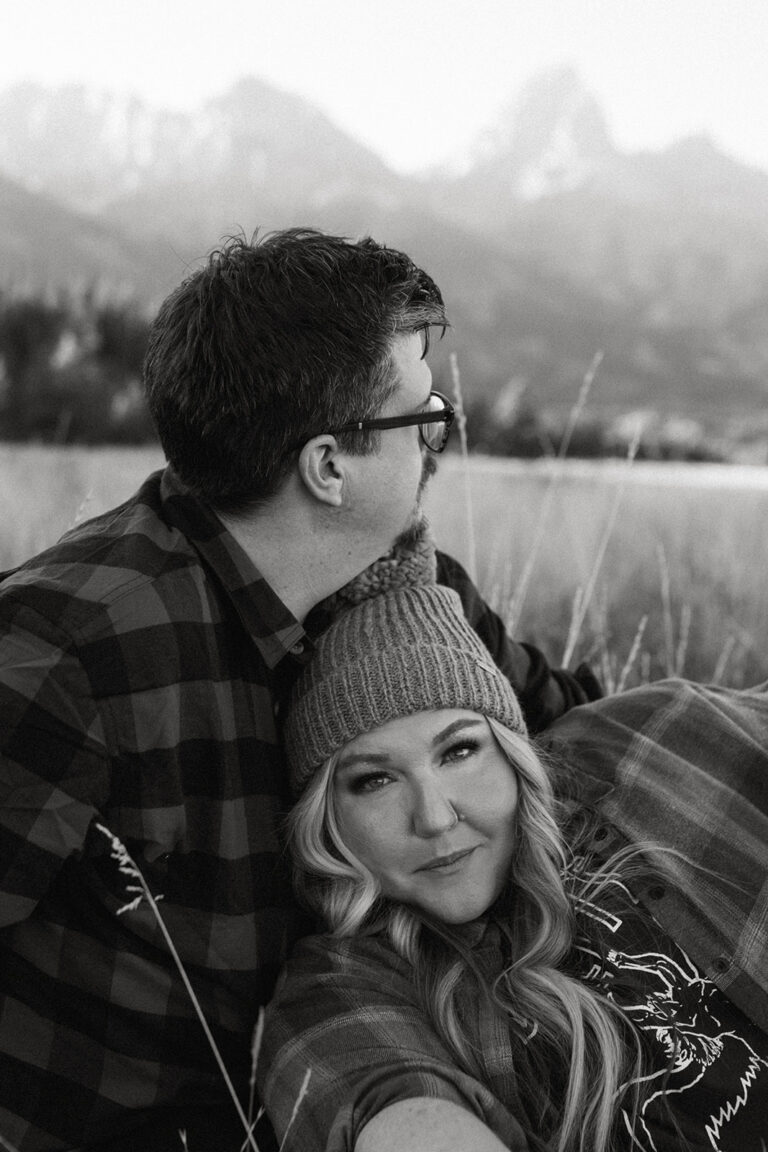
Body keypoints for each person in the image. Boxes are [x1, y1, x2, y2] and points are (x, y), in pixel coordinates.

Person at [0, 229, 598, 1151]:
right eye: (420, 415)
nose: (436, 436)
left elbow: (574, 725)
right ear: (328, 467)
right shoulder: (66, 651)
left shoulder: (407, 588)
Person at [259, 559, 768, 1152]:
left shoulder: (646, 745)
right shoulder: (343, 986)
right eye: (374, 780)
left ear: (511, 753)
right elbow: (376, 1093)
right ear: (327, 819)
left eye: (459, 751)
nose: (435, 818)